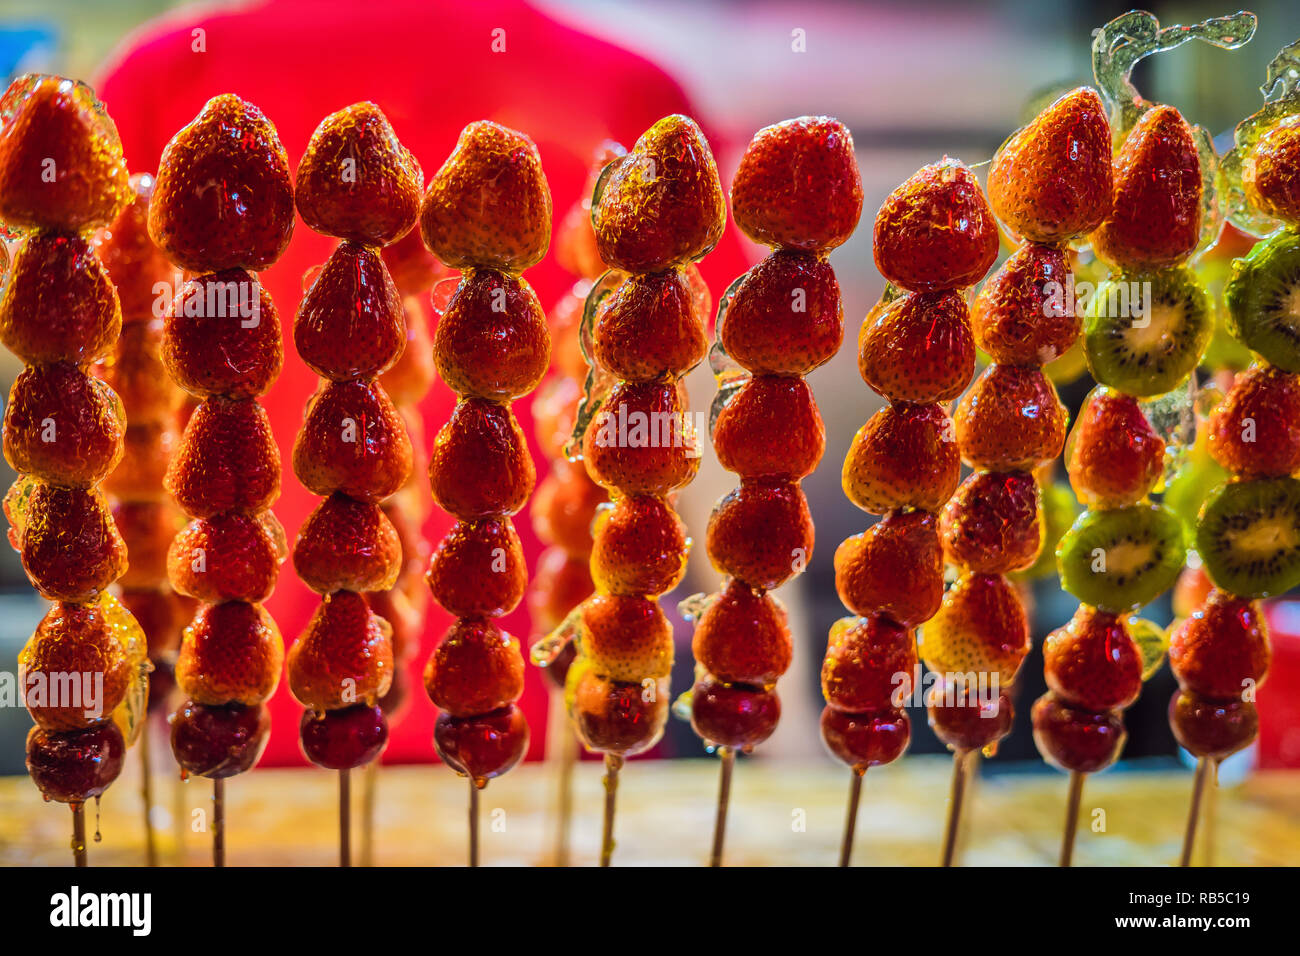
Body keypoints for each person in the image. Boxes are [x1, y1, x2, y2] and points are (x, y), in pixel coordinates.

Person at [96, 0, 749, 766]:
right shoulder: (617, 77)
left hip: (551, 718)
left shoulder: (171, 69)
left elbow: (703, 418)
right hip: (244, 720)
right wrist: (771, 715)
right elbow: (712, 426)